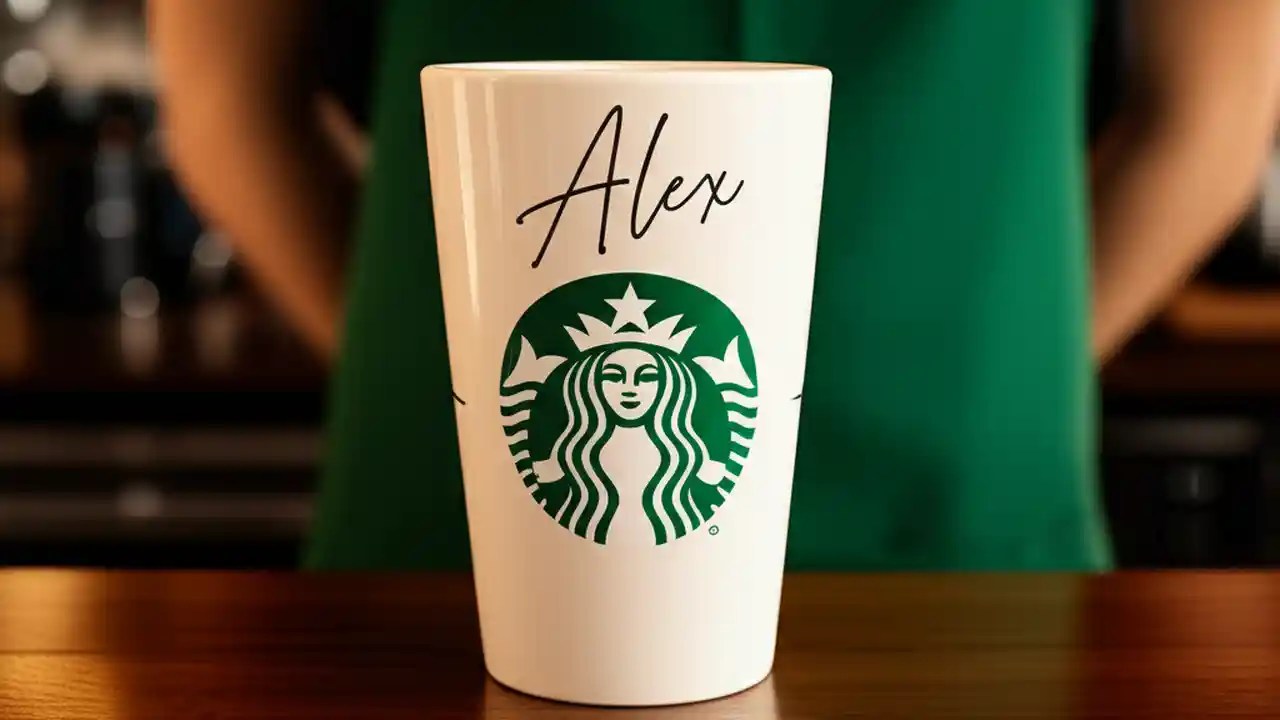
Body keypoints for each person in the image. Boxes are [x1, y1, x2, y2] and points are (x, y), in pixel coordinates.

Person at [149, 1, 1280, 570]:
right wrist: (467, 394)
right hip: (463, 520)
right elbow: (228, 102)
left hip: (960, 536)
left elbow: (1210, 116)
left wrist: (1009, 378)